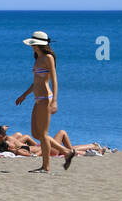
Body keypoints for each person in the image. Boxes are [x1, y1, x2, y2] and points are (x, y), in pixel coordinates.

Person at [14, 31, 76, 173]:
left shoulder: (48, 58)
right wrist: (24, 95)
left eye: (33, 43)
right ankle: (66, 152)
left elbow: (54, 80)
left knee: (43, 134)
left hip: (45, 99)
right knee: (36, 134)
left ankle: (46, 167)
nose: (32, 46)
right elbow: (36, 82)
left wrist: (55, 100)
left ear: (39, 44)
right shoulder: (37, 58)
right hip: (37, 99)